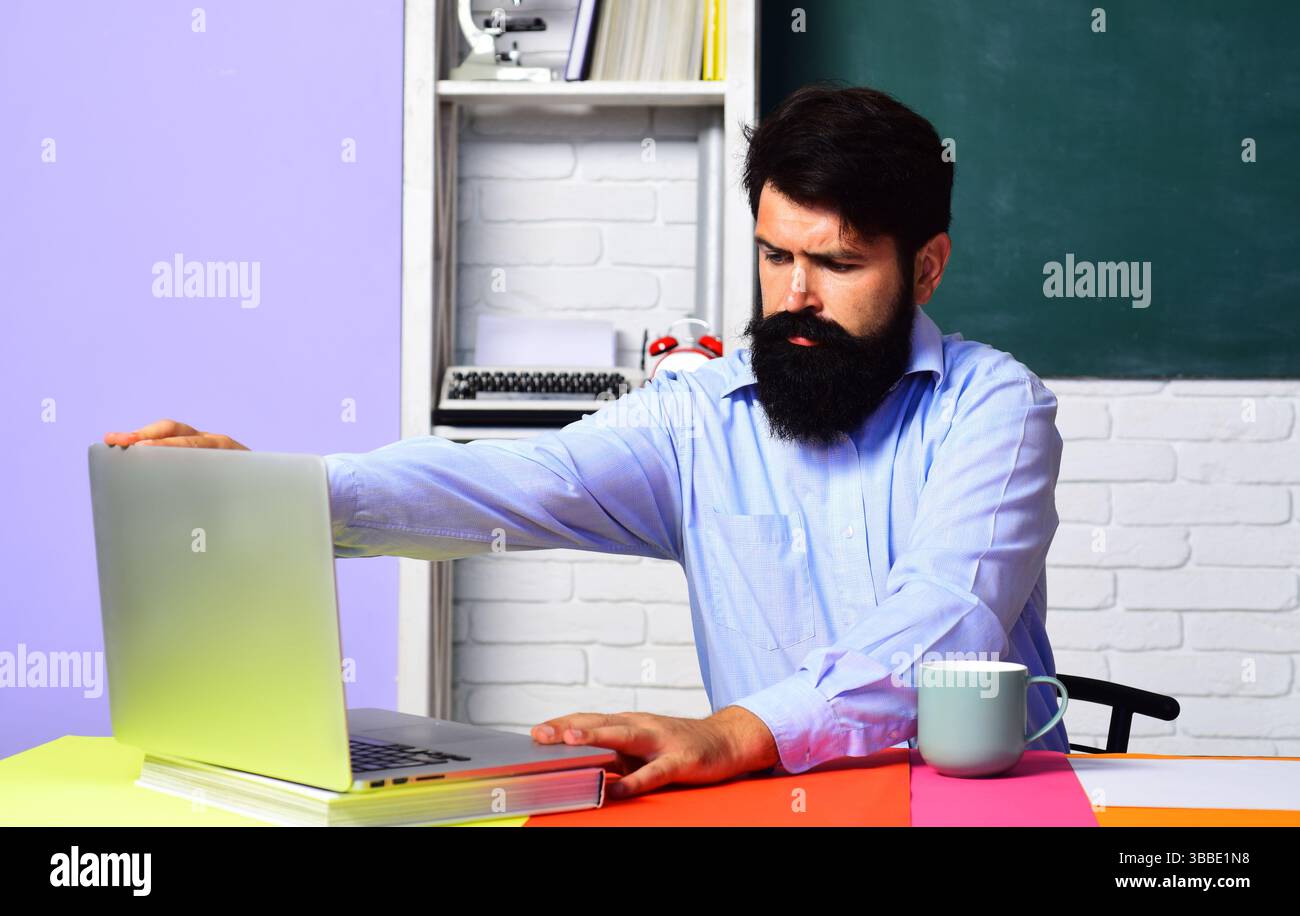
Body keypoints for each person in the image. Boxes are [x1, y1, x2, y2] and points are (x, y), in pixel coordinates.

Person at [104, 83, 1069, 799]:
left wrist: (736, 730)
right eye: (777, 256)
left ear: (927, 267)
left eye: (839, 264)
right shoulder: (699, 416)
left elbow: (948, 620)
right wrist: (280, 495)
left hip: (986, 812)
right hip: (778, 810)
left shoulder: (996, 409)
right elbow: (517, 479)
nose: (796, 296)